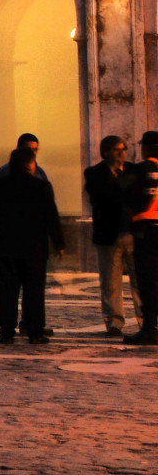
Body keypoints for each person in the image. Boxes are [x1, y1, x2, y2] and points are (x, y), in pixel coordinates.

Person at [0, 145, 65, 343]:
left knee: (7, 291)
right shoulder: (41, 187)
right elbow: (51, 217)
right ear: (30, 165)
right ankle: (35, 331)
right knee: (34, 291)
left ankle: (6, 332)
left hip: (4, 248)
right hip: (34, 249)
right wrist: (59, 243)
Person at [85, 135, 137, 335]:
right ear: (106, 152)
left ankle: (147, 320)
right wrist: (114, 175)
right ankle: (114, 322)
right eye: (117, 149)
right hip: (108, 234)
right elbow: (99, 197)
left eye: (124, 149)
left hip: (133, 233)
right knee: (110, 282)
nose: (122, 153)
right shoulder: (94, 173)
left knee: (140, 281)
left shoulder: (133, 170)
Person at [124, 132, 158, 344]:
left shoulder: (139, 169)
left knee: (147, 279)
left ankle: (150, 327)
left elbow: (126, 195)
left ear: (145, 148)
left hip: (146, 230)